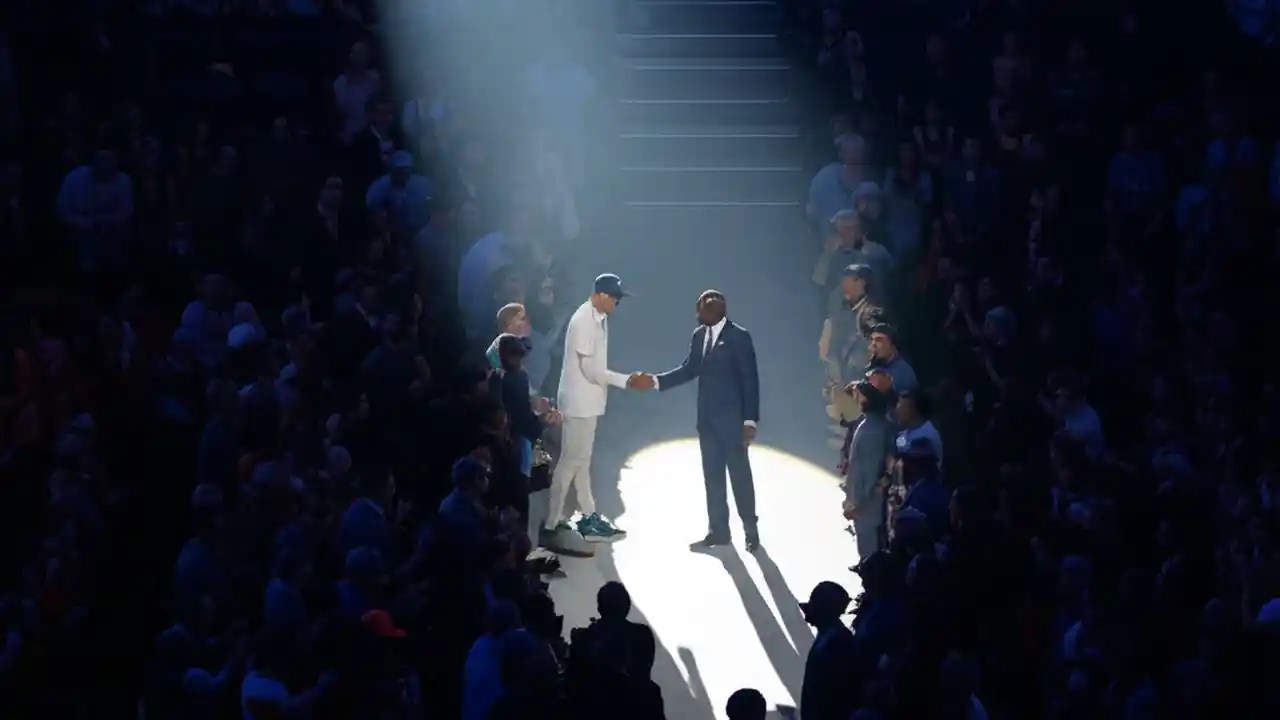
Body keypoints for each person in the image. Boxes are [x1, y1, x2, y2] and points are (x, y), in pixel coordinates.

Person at [635, 290, 762, 552]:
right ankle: (718, 531)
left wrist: (749, 420)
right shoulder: (699, 336)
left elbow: (750, 380)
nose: (697, 313)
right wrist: (657, 381)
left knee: (739, 477)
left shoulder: (739, 337)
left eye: (701, 309)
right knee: (712, 476)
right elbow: (690, 369)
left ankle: (750, 530)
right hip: (707, 421)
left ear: (715, 310)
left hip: (733, 423)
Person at [544, 273, 642, 547]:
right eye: (614, 299)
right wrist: (626, 380)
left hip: (587, 402)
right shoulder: (584, 322)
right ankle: (551, 523)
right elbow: (589, 369)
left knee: (582, 461)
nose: (617, 304)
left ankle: (588, 516)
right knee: (569, 462)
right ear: (600, 296)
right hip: (578, 403)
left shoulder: (598, 318)